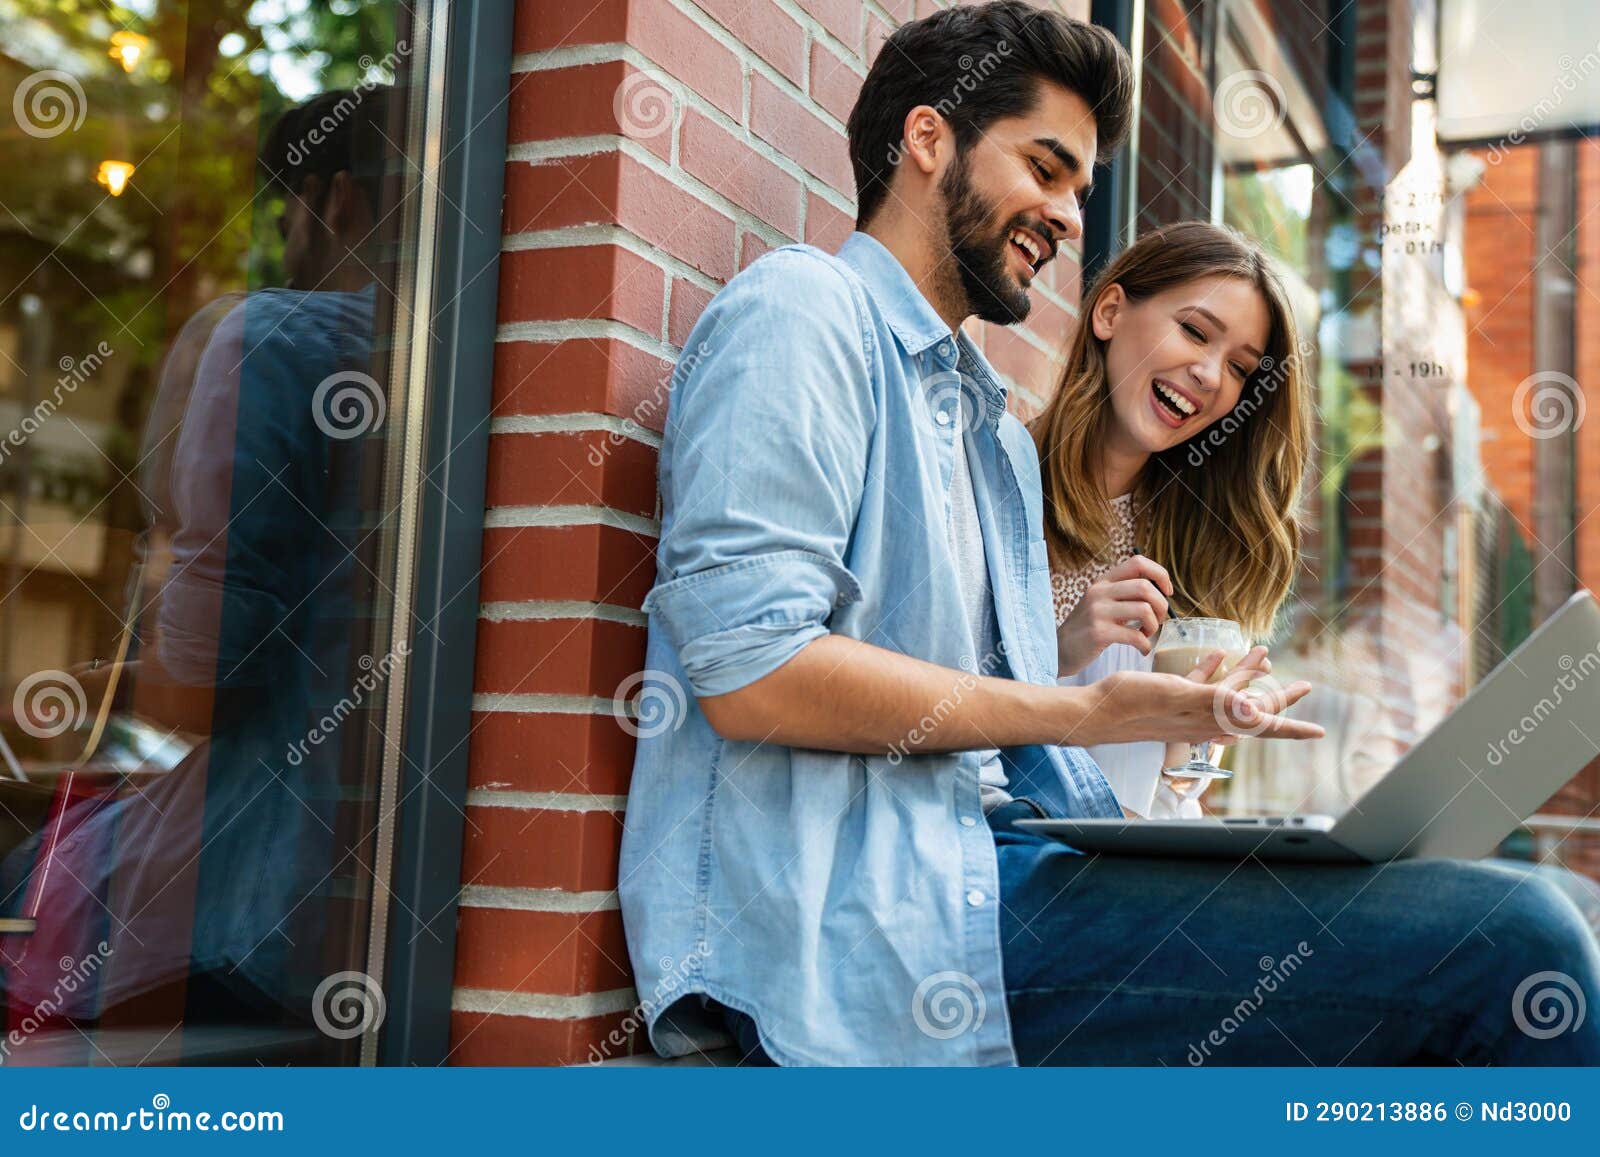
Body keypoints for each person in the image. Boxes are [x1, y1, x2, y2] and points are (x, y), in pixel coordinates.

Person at [617, 2, 1600, 1066]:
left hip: (991, 865)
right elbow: (751, 671)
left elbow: (994, 727)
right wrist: (1084, 705)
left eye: (1080, 189)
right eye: (1045, 168)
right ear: (927, 138)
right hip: (862, 918)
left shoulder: (982, 428)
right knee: (1519, 941)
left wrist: (1192, 782)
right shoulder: (802, 313)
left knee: (1553, 892)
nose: (1071, 216)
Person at [1035, 220, 1311, 818]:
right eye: (1194, 331)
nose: (1211, 376)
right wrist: (1056, 652)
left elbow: (1166, 800)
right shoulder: (992, 480)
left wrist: (1199, 732)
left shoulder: (1193, 540)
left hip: (1136, 866)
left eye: (1240, 368)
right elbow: (936, 709)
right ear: (1109, 311)